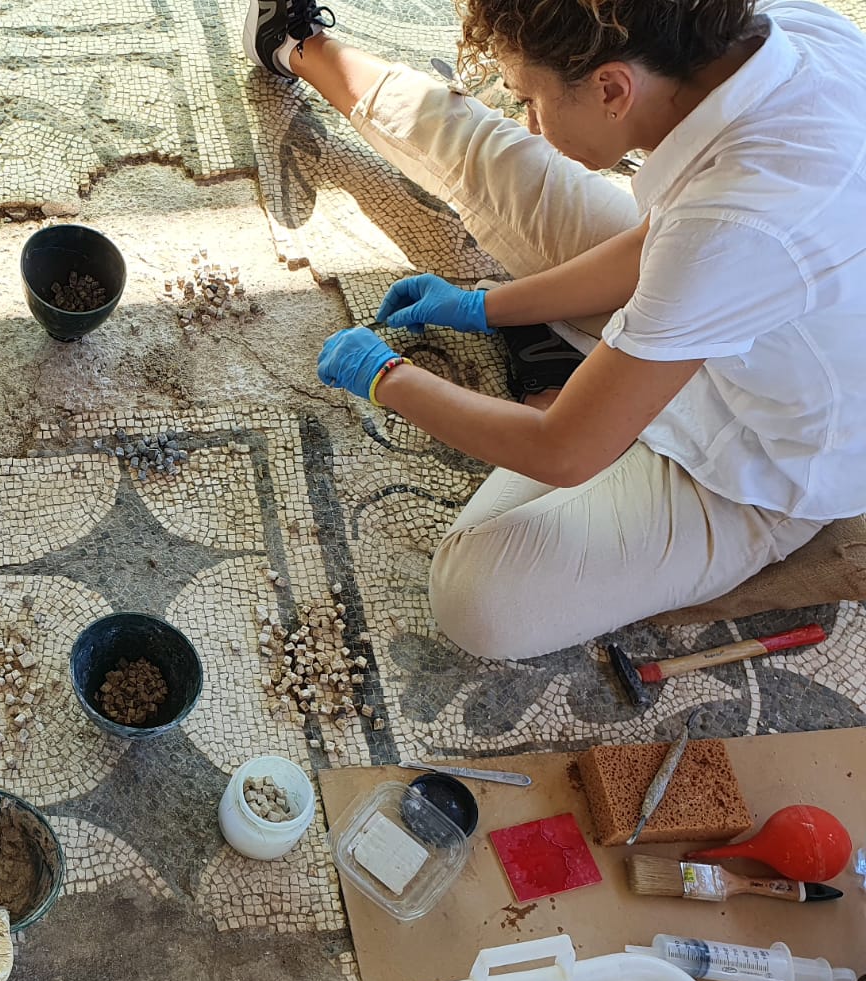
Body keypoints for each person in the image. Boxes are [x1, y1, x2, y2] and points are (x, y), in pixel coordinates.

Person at [245, 0, 866, 659]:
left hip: (762, 461)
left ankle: (625, 417)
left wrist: (386, 377)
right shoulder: (775, 31)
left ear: (611, 88)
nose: (531, 121)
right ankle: (294, 47)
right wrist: (490, 306)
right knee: (506, 165)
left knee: (480, 601)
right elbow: (654, 249)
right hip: (709, 296)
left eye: (533, 99)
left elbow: (563, 450)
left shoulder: (734, 229)